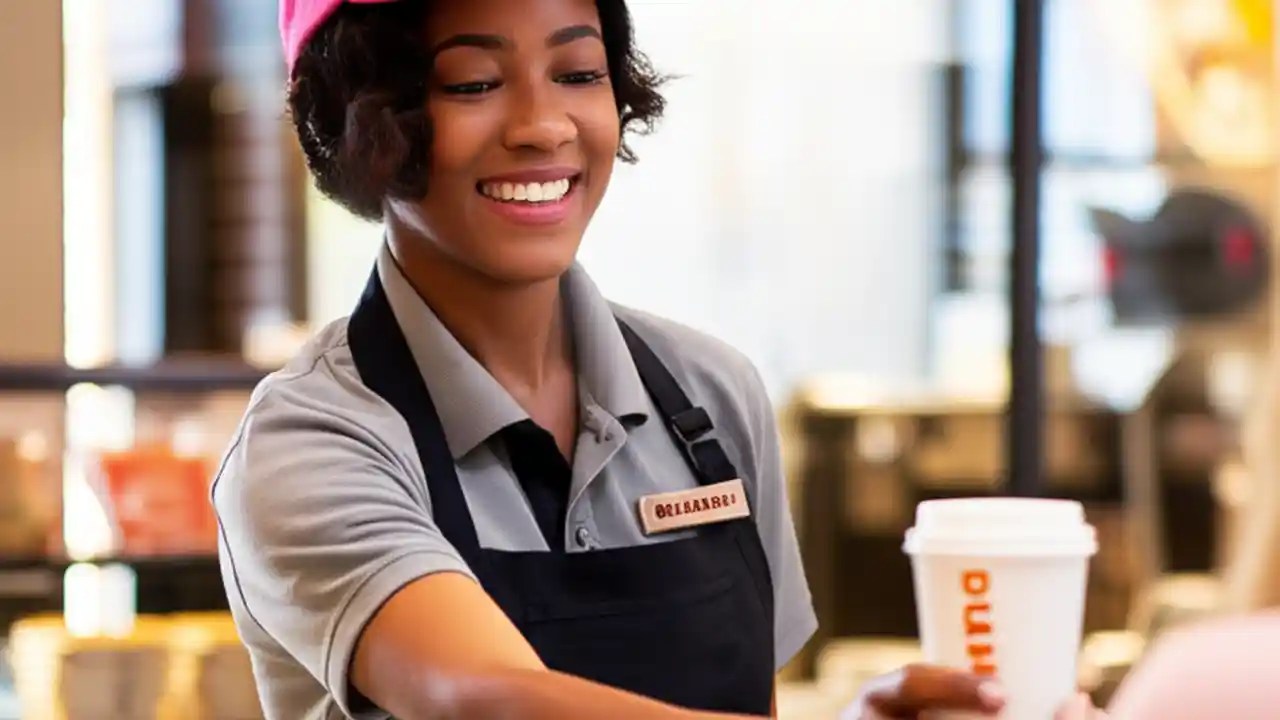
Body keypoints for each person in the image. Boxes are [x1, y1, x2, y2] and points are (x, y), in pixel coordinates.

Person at [215, 1, 814, 718]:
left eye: (579, 73)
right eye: (473, 83)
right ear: (362, 112)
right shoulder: (310, 443)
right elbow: (479, 698)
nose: (543, 127)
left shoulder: (712, 395)